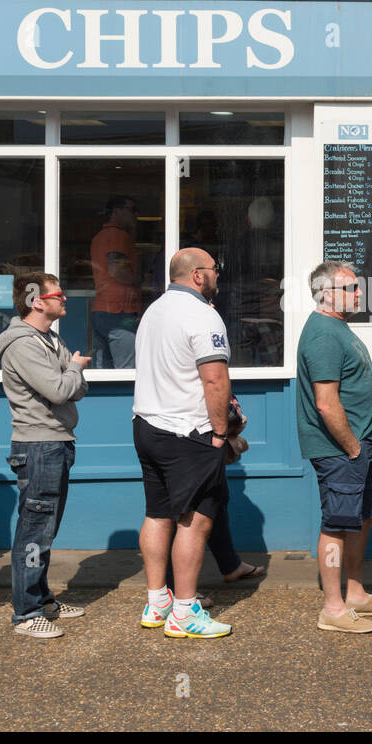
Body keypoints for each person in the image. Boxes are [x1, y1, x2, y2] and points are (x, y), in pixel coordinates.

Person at [134, 248, 233, 639]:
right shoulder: (203, 314)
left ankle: (157, 601)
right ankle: (185, 612)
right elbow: (214, 380)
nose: (218, 277)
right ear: (196, 275)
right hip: (187, 432)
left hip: (147, 425)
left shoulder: (153, 311)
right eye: (214, 270)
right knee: (195, 520)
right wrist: (221, 433)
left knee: (157, 513)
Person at [297, 261, 372, 634]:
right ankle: (332, 609)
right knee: (337, 523)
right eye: (352, 289)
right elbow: (325, 401)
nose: (359, 295)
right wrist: (352, 447)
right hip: (341, 450)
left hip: (358, 447)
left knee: (360, 518)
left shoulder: (338, 329)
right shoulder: (323, 333)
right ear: (327, 294)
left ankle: (354, 593)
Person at [0, 272, 90, 638]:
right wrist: (74, 369)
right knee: (34, 532)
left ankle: (42, 597)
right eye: (58, 294)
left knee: (45, 529)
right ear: (37, 301)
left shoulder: (49, 339)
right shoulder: (23, 344)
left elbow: (75, 391)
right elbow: (59, 389)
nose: (64, 299)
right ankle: (27, 611)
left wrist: (72, 376)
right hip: (38, 446)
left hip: (56, 442)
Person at [90, 195, 142, 369]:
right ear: (116, 211)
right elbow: (117, 270)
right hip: (120, 311)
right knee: (126, 371)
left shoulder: (101, 236)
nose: (136, 214)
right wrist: (139, 281)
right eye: (132, 209)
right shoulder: (117, 235)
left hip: (102, 309)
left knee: (103, 370)